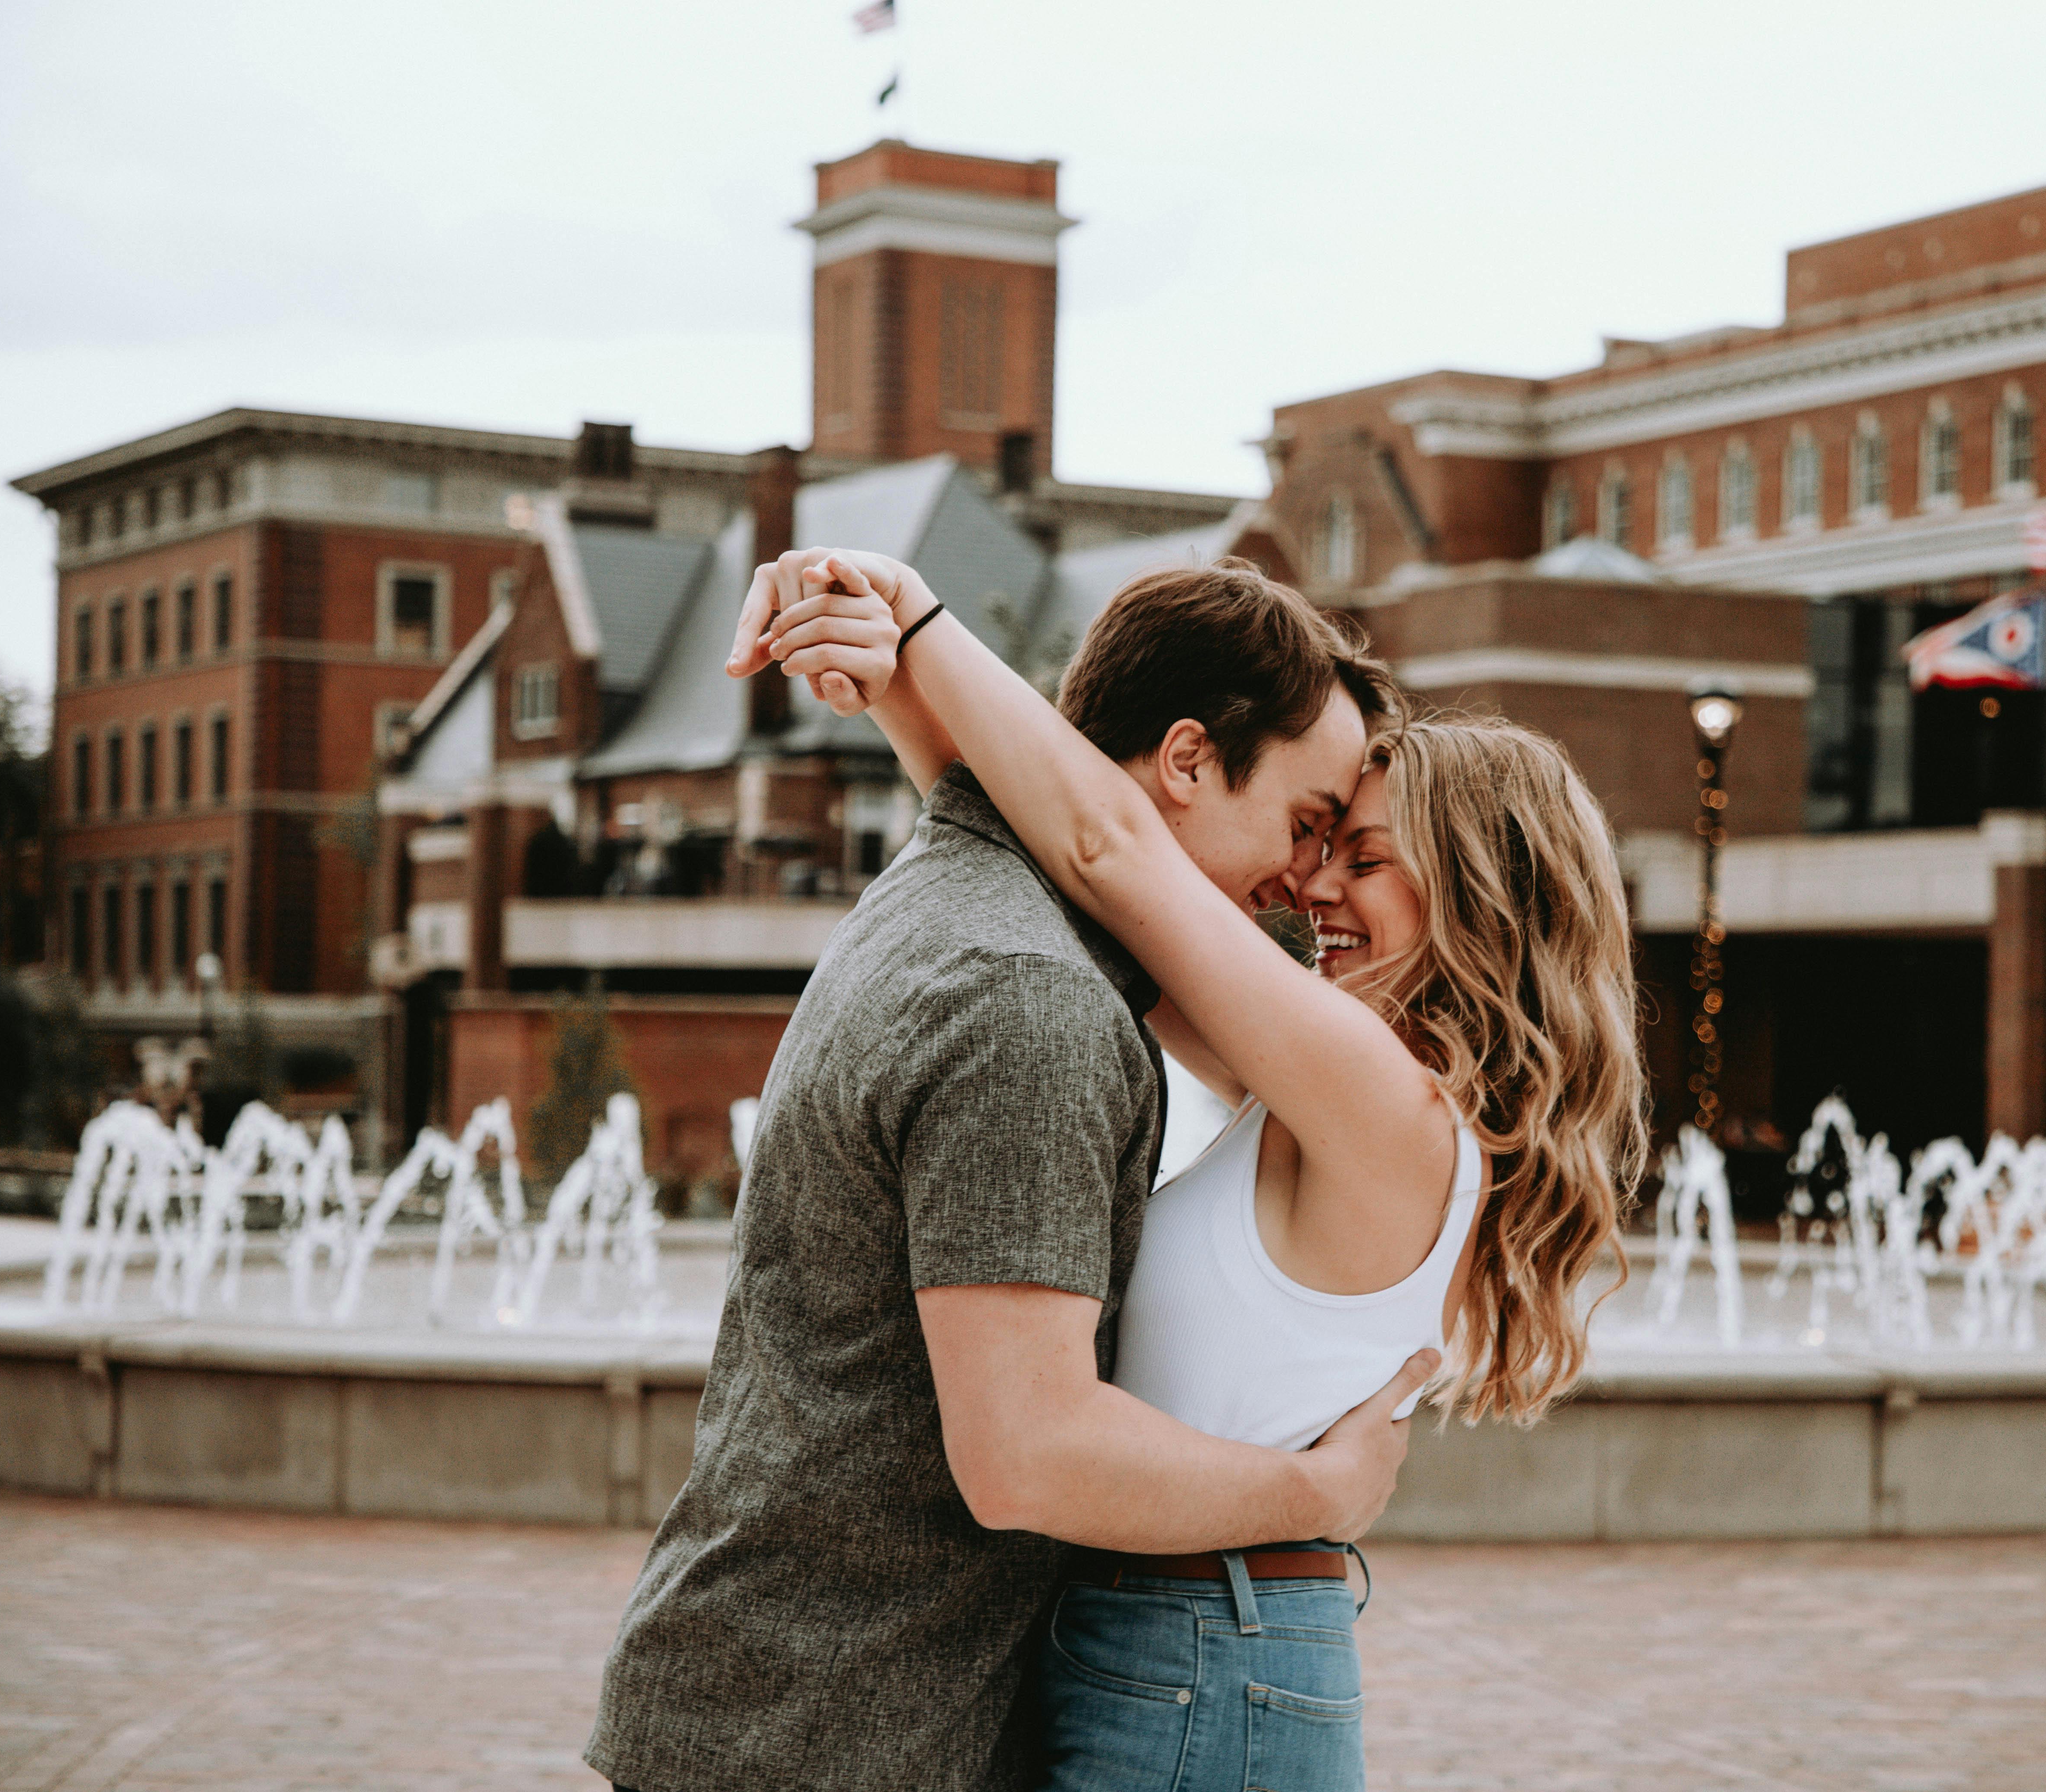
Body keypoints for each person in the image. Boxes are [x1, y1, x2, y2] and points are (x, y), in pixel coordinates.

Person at [753, 548, 1648, 1791]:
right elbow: (1068, 880)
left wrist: (920, 621)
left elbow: (1117, 854)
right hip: (1176, 1633)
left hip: (1211, 1643)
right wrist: (904, 691)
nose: (1315, 883)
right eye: (1323, 839)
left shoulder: (1389, 1104)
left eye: (1366, 857)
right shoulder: (1338, 1080)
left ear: (1479, 896)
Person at [585, 559, 1438, 1792]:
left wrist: (905, 674)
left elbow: (1070, 833)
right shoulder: (1032, 1002)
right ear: (1189, 762)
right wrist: (1319, 1490)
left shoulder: (958, 901)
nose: (1303, 885)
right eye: (1307, 824)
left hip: (781, 1702)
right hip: (841, 1733)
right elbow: (1030, 1452)